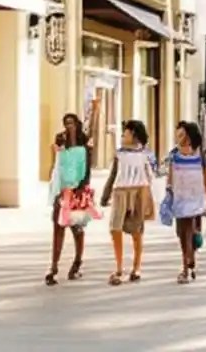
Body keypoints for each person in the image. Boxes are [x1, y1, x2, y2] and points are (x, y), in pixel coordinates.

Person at [100, 120, 155, 285]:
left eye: (126, 133)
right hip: (120, 191)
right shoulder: (119, 154)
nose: (123, 135)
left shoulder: (145, 154)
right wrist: (105, 195)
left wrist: (148, 198)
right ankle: (119, 268)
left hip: (139, 191)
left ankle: (136, 267)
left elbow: (150, 176)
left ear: (134, 135)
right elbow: (113, 174)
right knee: (115, 228)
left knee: (137, 230)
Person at [45, 114, 93, 286]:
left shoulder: (84, 141)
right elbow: (57, 165)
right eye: (66, 123)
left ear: (77, 124)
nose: (68, 126)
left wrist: (81, 189)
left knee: (77, 229)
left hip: (77, 191)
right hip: (62, 190)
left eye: (71, 123)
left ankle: (77, 263)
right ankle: (53, 266)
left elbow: (87, 169)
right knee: (58, 228)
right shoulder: (61, 139)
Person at [167, 121, 206, 284]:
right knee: (182, 234)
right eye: (177, 135)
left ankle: (187, 266)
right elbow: (170, 177)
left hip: (196, 201)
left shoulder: (203, 155)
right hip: (180, 200)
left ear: (189, 136)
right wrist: (168, 196)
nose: (178, 139)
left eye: (181, 135)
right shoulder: (174, 154)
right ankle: (187, 264)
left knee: (192, 233)